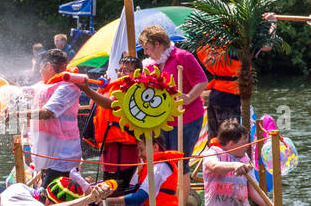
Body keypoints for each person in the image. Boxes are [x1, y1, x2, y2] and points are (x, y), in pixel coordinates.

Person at [201, 118, 274, 206]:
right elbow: (214, 166)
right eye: (243, 143)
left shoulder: (245, 159)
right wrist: (235, 165)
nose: (247, 146)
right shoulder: (212, 153)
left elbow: (254, 191)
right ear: (230, 143)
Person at [138, 25, 208, 164]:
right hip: (163, 121)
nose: (145, 53)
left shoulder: (182, 57)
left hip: (187, 117)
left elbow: (202, 81)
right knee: (163, 161)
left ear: (157, 44)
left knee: (180, 162)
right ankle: (168, 186)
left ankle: (182, 187)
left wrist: (188, 97)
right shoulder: (151, 65)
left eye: (147, 48)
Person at [104, 136, 187, 206]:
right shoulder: (152, 166)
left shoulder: (160, 167)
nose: (139, 155)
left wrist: (107, 202)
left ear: (155, 147)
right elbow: (142, 203)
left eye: (141, 150)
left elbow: (141, 196)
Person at [74, 52, 142, 190]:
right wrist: (101, 89)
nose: (122, 73)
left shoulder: (132, 88)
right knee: (108, 183)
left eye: (126, 70)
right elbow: (95, 107)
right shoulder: (113, 86)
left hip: (124, 147)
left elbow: (109, 104)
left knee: (116, 187)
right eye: (120, 70)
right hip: (110, 145)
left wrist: (86, 89)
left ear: (137, 73)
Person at [28, 49, 82, 187]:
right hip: (49, 155)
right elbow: (23, 91)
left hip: (63, 157)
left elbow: (47, 113)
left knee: (50, 199)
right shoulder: (44, 86)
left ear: (48, 67)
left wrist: (16, 114)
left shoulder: (67, 87)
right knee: (45, 195)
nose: (39, 72)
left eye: (41, 68)